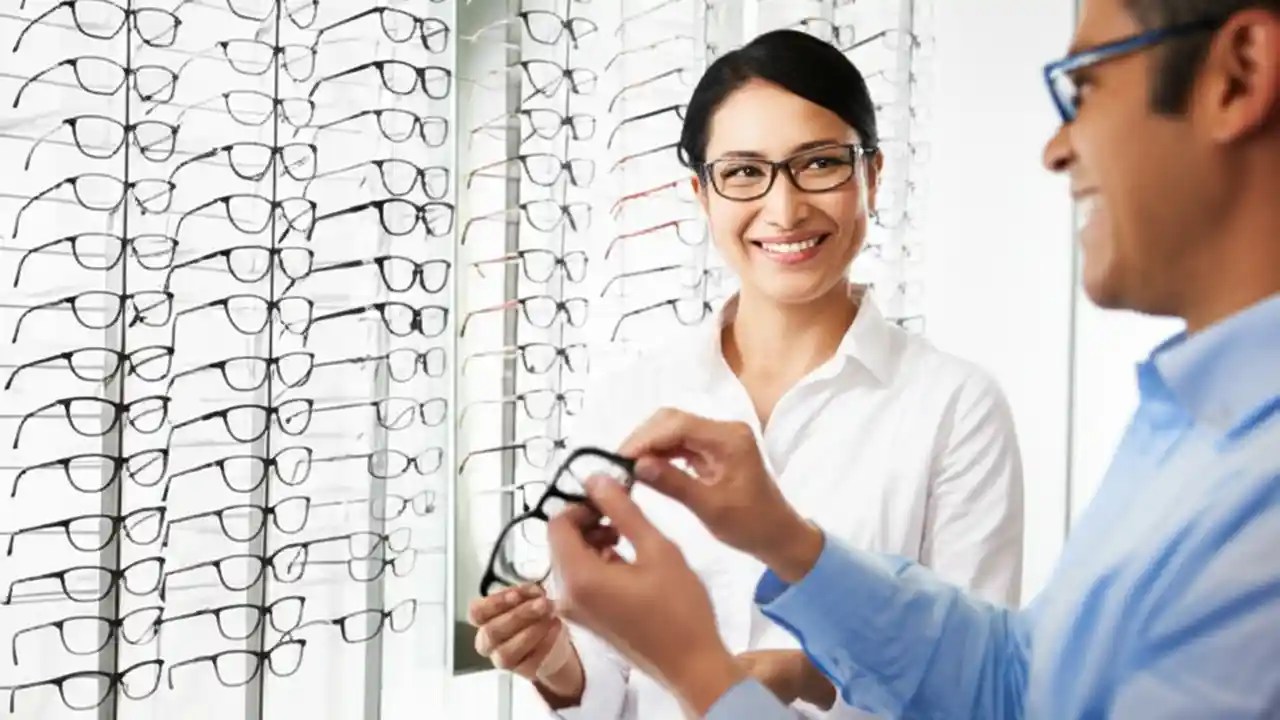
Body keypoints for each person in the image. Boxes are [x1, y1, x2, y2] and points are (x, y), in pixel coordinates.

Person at [545, 0, 1280, 717]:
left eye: (1085, 83)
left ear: (1240, 74)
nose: (1056, 148)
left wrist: (697, 664)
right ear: (701, 194)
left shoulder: (1250, 482)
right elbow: (1014, 682)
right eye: (743, 173)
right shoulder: (1182, 423)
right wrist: (785, 540)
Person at [466, 30, 1026, 719]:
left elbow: (978, 690)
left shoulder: (954, 406)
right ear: (702, 194)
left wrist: (802, 671)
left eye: (819, 164)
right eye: (742, 172)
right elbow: (609, 689)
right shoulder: (630, 399)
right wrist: (555, 662)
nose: (784, 209)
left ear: (873, 177)